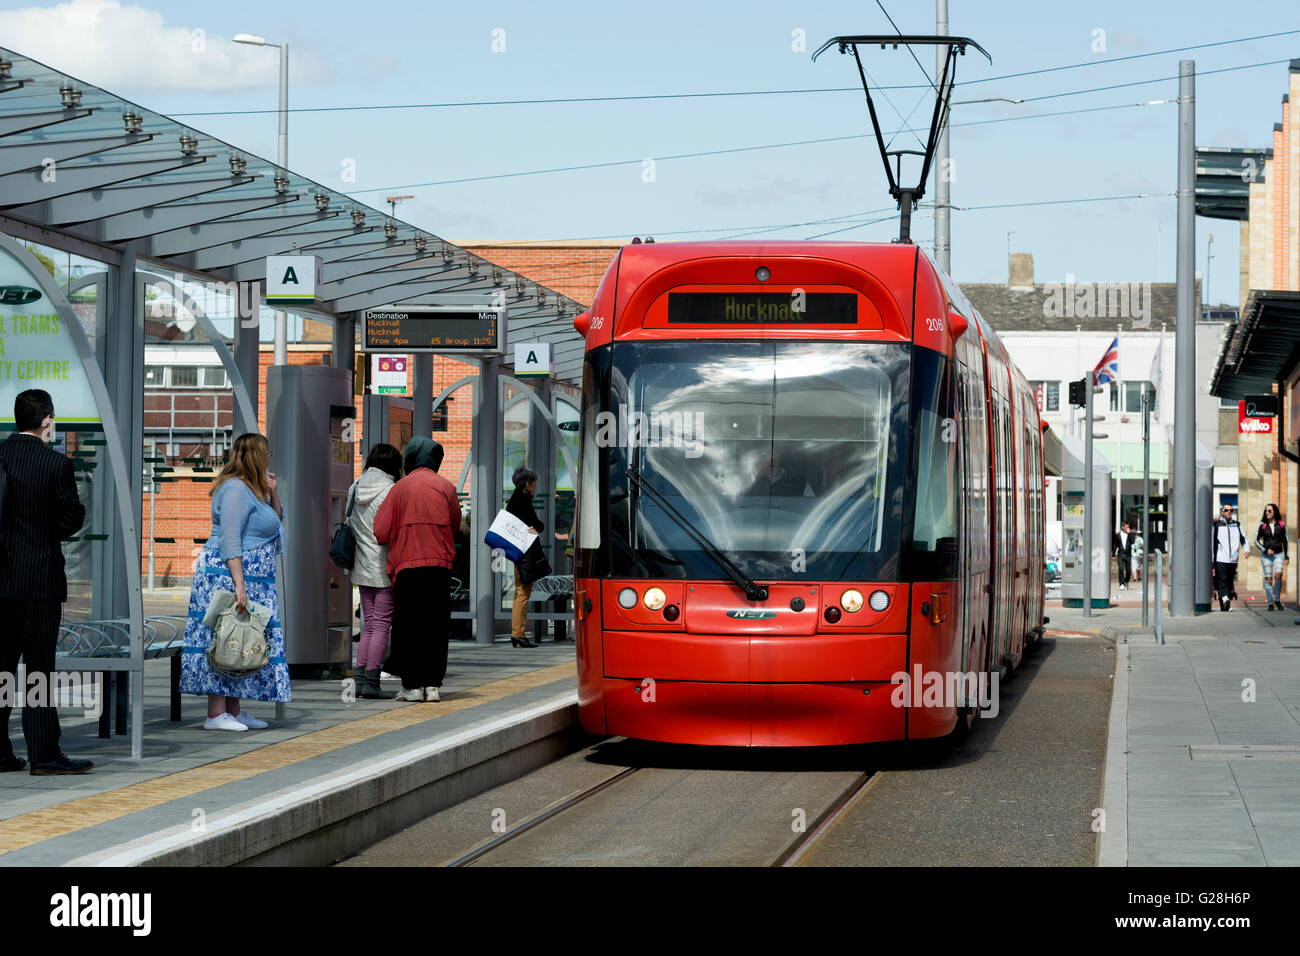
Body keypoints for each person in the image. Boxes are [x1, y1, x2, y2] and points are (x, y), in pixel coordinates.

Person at [0, 389, 90, 775]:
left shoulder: (1, 457)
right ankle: (43, 754)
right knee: (38, 668)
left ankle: (0, 752)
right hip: (39, 581)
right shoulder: (56, 464)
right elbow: (69, 520)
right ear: (48, 420)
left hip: (2, 582)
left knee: (2, 667)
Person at [179, 433, 290, 730]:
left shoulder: (252, 491)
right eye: (267, 453)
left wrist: (274, 493)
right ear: (256, 456)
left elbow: (276, 521)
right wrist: (239, 584)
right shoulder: (234, 490)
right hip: (226, 576)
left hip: (250, 577)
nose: (270, 458)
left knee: (241, 641)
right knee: (224, 637)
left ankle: (234, 709)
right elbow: (230, 539)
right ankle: (216, 713)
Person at [374, 437, 459, 702]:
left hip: (408, 566)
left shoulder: (400, 488)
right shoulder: (447, 487)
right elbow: (455, 524)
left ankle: (411, 686)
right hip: (440, 566)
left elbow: (380, 531)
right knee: (436, 624)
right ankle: (432, 685)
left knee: (408, 625)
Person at [347, 443, 402, 698]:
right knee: (381, 626)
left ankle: (359, 681)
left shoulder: (355, 486)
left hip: (361, 564)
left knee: (369, 625)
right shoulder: (392, 491)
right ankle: (372, 683)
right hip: (384, 564)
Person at [506, 467, 548, 648]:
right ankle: (518, 634)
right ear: (526, 484)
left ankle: (518, 633)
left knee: (520, 593)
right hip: (526, 553)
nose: (535, 485)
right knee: (523, 594)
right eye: (533, 482)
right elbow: (538, 525)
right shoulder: (522, 502)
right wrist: (536, 526)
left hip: (518, 551)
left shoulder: (513, 501)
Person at [1211, 504, 1248, 612]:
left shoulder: (1237, 525)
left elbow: (1244, 539)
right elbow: (1212, 542)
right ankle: (1225, 598)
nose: (1229, 512)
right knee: (1222, 580)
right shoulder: (1216, 525)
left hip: (1233, 559)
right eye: (1226, 510)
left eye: (1231, 510)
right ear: (1222, 511)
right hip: (1220, 558)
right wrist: (1212, 558)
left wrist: (1246, 549)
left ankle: (1225, 605)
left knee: (1229, 581)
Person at [1256, 503, 1288, 611]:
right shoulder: (1262, 525)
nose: (1267, 513)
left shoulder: (1281, 524)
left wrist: (1287, 556)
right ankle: (1270, 603)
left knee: (1278, 575)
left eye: (1269, 511)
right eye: (1266, 511)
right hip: (1266, 557)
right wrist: (1265, 550)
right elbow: (1256, 541)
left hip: (1278, 555)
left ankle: (1277, 600)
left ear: (1274, 512)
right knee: (1268, 578)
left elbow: (1285, 540)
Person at [1113, 522, 1136, 590]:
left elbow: (1132, 541)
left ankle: (1126, 581)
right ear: (1122, 527)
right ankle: (1121, 583)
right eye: (1126, 527)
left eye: (1128, 527)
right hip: (1120, 554)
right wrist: (1113, 554)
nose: (1127, 528)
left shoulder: (1130, 534)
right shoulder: (1118, 535)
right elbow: (1115, 545)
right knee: (1121, 569)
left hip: (1128, 555)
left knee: (1128, 571)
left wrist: (1130, 533)